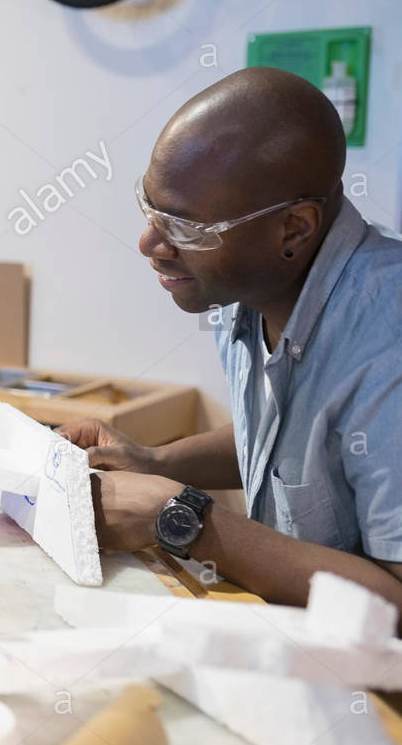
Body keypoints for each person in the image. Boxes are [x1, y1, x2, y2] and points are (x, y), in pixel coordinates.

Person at [61, 67, 402, 616]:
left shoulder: (387, 343)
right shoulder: (250, 289)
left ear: (294, 228)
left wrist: (181, 516)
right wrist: (152, 462)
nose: (150, 242)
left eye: (186, 229)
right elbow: (292, 439)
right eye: (150, 210)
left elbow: (396, 608)